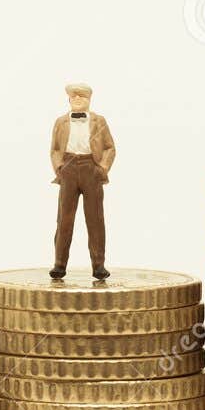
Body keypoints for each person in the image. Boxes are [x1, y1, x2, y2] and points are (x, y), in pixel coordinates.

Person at [49, 83, 115, 281]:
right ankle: (59, 264)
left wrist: (102, 168)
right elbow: (54, 149)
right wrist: (59, 168)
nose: (78, 99)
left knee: (95, 219)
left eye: (82, 97)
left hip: (90, 169)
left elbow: (110, 147)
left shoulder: (99, 121)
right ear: (69, 99)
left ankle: (99, 265)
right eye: (74, 97)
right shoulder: (61, 122)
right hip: (68, 167)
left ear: (89, 100)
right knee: (64, 219)